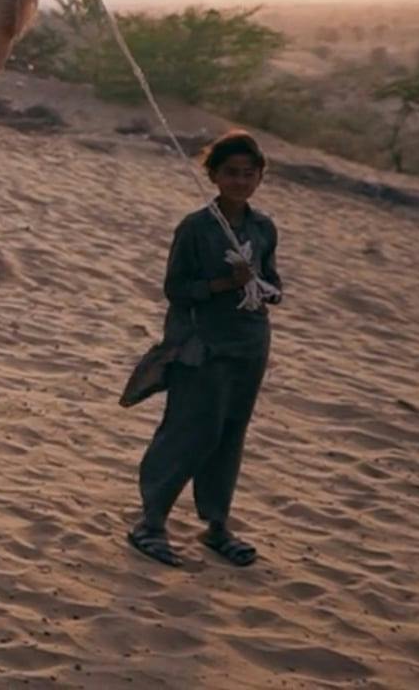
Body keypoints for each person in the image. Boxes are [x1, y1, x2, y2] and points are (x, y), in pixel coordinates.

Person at [128, 130, 283, 568]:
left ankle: (217, 525)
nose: (239, 181)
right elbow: (176, 289)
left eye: (248, 174)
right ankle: (151, 522)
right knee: (189, 430)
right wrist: (222, 284)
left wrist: (266, 289)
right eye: (230, 173)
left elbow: (273, 277)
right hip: (203, 345)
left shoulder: (263, 228)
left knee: (228, 435)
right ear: (213, 175)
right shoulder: (196, 228)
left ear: (259, 178)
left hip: (250, 344)